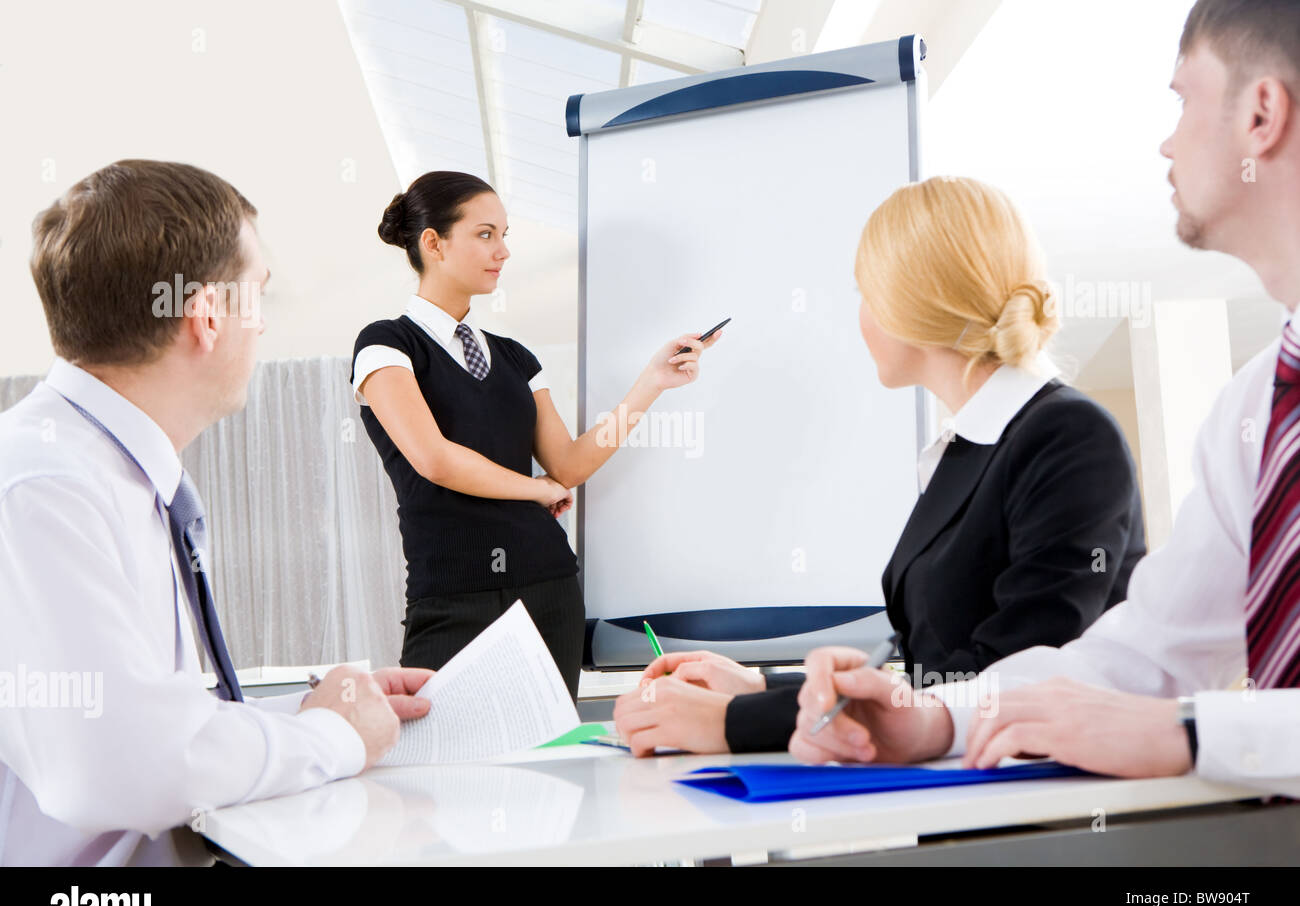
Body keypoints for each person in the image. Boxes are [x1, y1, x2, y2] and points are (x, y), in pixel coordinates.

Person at [788, 0, 1300, 800]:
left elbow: (1151, 697)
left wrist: (1196, 731)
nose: (1166, 139)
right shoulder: (1255, 411)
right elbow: (1139, 657)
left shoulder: (1067, 434)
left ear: (1263, 114)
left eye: (1182, 100)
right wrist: (933, 720)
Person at [613, 176, 1145, 756]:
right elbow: (933, 686)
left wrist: (735, 720)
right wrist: (763, 686)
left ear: (910, 304)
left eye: (865, 293)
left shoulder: (1067, 436)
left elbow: (1005, 682)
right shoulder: (966, 449)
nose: (860, 316)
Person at [0, 160, 434, 866]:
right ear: (206, 316)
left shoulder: (96, 470)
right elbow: (117, 764)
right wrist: (335, 739)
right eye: (257, 296)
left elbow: (145, 724)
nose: (262, 327)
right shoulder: (41, 486)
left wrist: (309, 714)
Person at [352, 171, 719, 700]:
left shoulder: (516, 357)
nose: (502, 251)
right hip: (452, 595)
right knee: (438, 763)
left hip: (548, 587)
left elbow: (568, 465)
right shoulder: (386, 345)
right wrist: (536, 489)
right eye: (485, 234)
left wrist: (651, 383)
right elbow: (435, 460)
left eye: (505, 235)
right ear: (433, 243)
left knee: (550, 763)